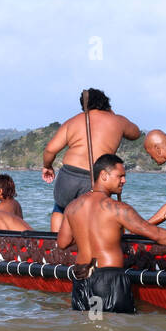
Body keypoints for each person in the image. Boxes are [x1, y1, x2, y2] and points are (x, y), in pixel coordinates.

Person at [57, 154, 166, 314]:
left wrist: (88, 237)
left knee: (89, 329)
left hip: (81, 277)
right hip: (108, 279)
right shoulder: (118, 209)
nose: (124, 181)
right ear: (103, 175)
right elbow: (155, 234)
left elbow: (63, 243)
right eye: (120, 176)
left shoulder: (72, 206)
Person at [42, 89, 141, 232]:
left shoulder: (73, 121)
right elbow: (136, 133)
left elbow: (50, 150)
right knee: (90, 219)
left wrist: (47, 166)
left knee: (60, 208)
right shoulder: (118, 120)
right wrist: (113, 115)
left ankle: (56, 246)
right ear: (107, 103)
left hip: (68, 176)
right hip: (94, 179)